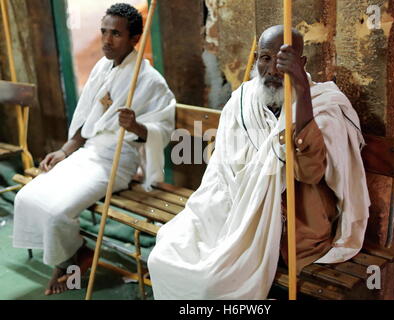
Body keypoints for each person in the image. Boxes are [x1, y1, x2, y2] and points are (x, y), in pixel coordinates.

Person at [147, 25, 370, 299]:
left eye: (283, 61)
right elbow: (223, 168)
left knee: (211, 283)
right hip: (234, 207)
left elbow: (309, 173)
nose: (274, 70)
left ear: (301, 64)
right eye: (266, 58)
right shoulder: (242, 100)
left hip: (294, 224)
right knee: (165, 256)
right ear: (256, 60)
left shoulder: (325, 107)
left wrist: (301, 91)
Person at [12, 3, 175, 296]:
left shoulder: (150, 81)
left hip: (116, 162)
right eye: (103, 31)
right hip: (88, 155)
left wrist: (136, 126)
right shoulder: (102, 67)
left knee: (57, 213)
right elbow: (85, 116)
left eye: (116, 34)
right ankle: (73, 254)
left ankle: (71, 261)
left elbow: (162, 130)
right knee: (27, 196)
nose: (106, 40)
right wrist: (65, 150)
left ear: (135, 38)